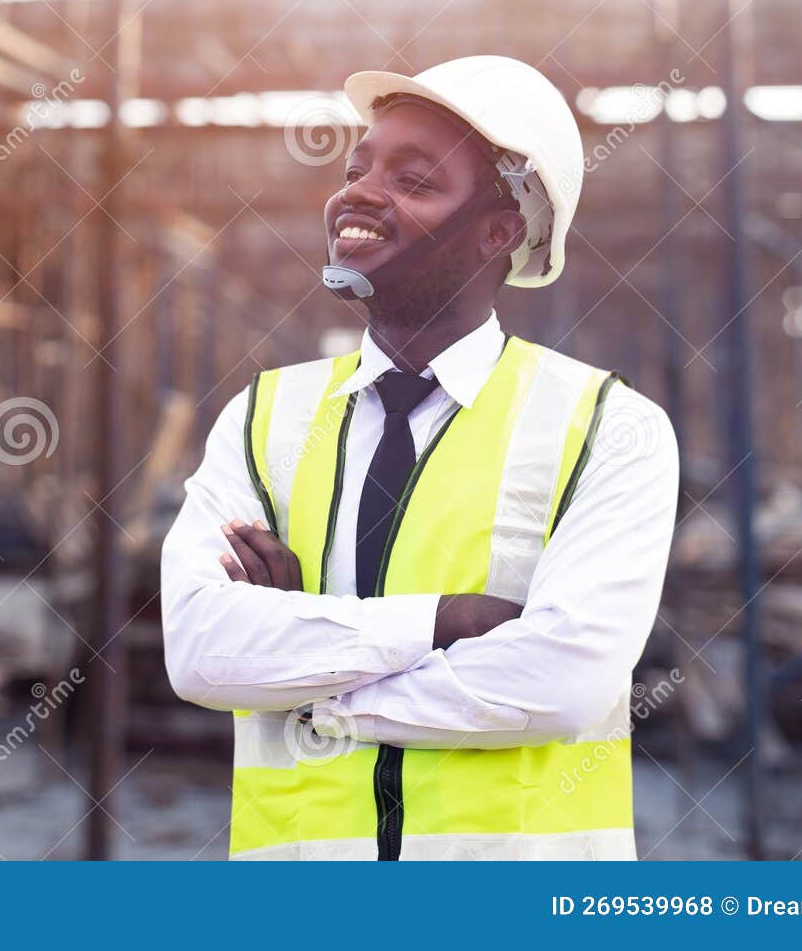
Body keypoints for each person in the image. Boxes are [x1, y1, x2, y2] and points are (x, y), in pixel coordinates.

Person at [160, 55, 678, 861]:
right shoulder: (262, 418)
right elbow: (200, 650)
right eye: (357, 167)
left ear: (498, 232)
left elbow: (561, 681)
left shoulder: (609, 428)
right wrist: (447, 622)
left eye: (414, 179)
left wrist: (306, 677)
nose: (357, 193)